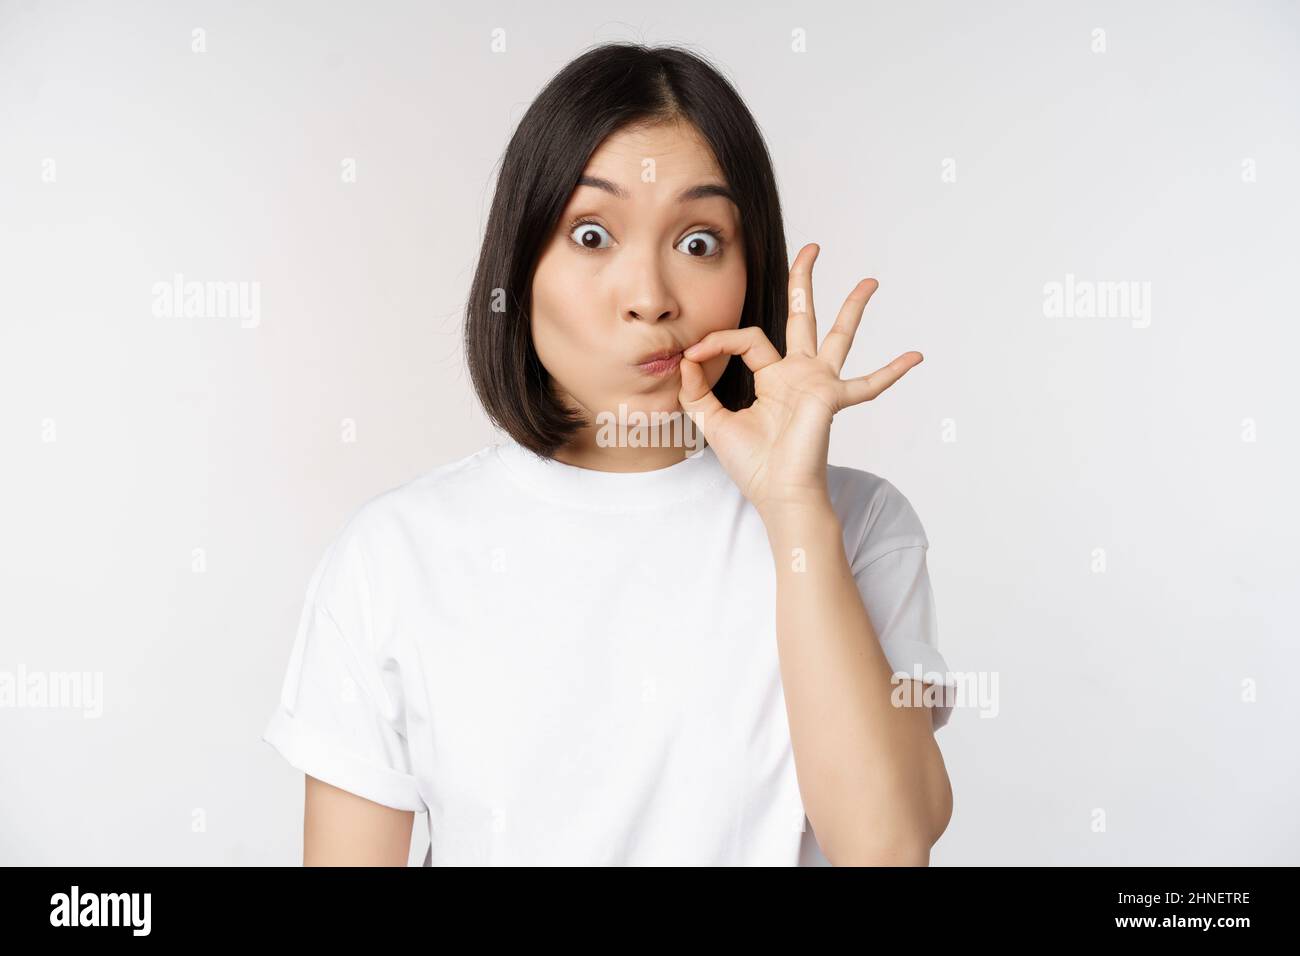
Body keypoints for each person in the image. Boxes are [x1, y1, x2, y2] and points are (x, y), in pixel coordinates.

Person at [262, 41, 956, 866]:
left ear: (750, 270)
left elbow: (886, 849)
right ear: (519, 265)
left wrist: (795, 512)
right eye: (592, 234)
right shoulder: (394, 556)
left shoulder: (858, 523)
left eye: (699, 243)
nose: (652, 299)